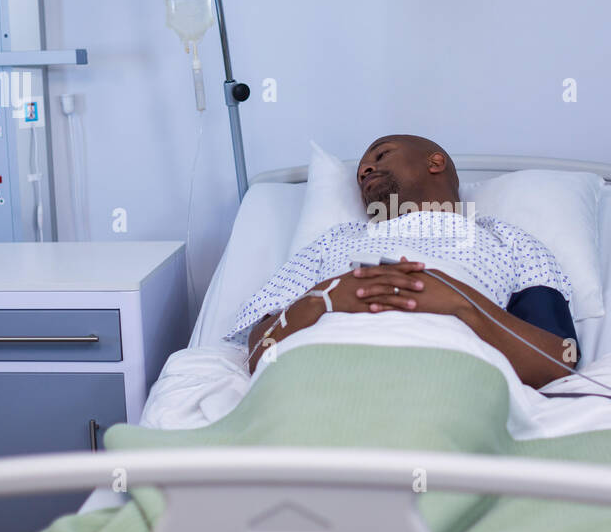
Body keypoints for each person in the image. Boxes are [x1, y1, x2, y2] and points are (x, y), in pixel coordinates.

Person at [228, 135, 578, 388]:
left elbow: (558, 358)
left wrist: (461, 305)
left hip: (450, 376)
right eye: (361, 170)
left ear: (435, 161)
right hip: (321, 370)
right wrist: (326, 297)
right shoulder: (336, 240)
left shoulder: (507, 240)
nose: (365, 169)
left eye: (381, 155)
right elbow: (260, 351)